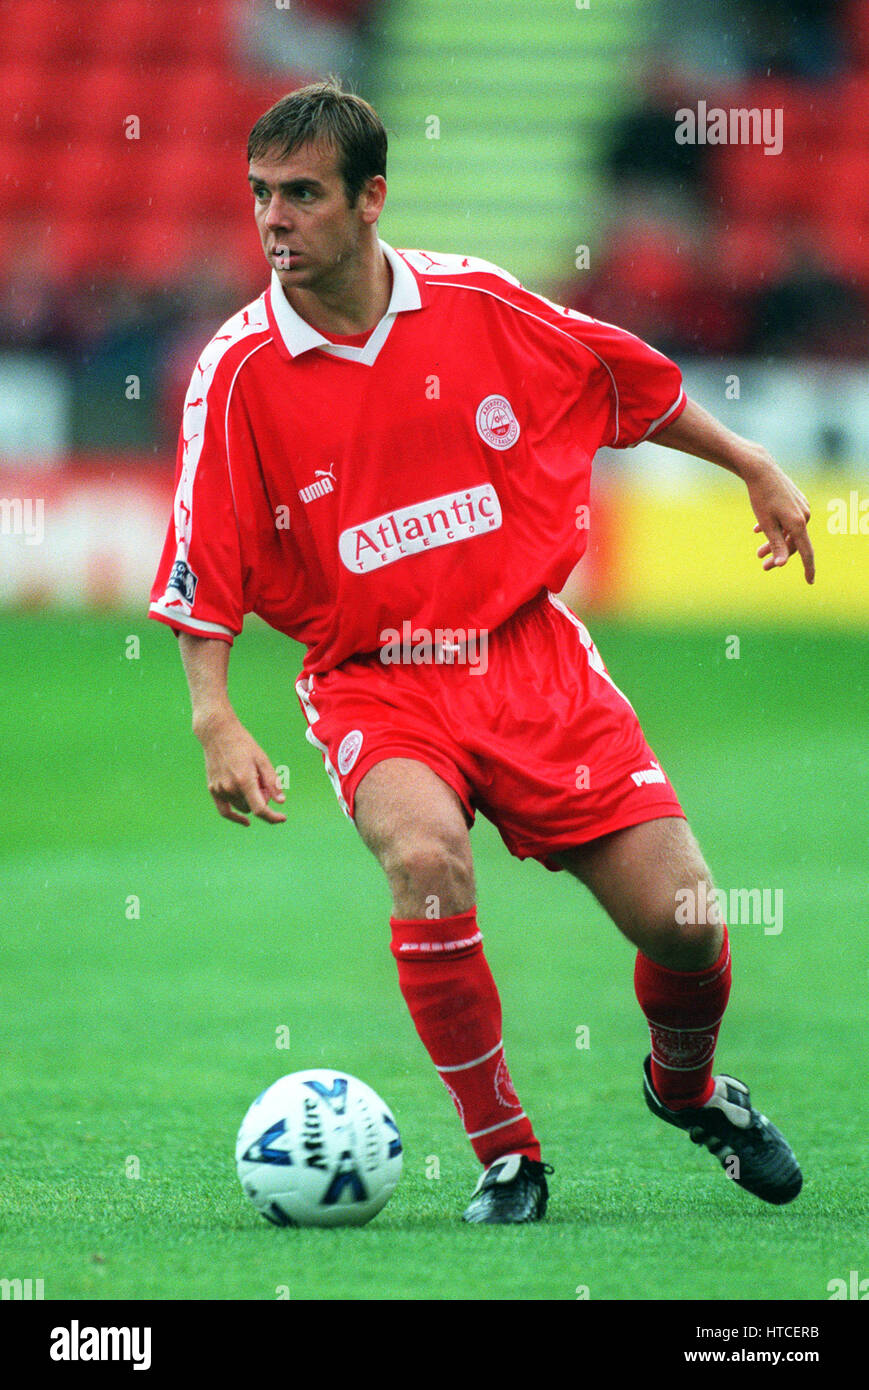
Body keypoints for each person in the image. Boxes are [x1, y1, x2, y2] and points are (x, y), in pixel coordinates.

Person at [149, 80, 813, 1224]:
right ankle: (508, 1154)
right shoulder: (239, 369)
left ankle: (687, 1087)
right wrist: (213, 711)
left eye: (301, 195)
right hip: (372, 676)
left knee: (689, 923)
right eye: (259, 195)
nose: (273, 220)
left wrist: (748, 459)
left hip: (527, 657)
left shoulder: (479, 304)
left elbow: (624, 384)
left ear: (370, 199)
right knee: (424, 858)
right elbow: (199, 553)